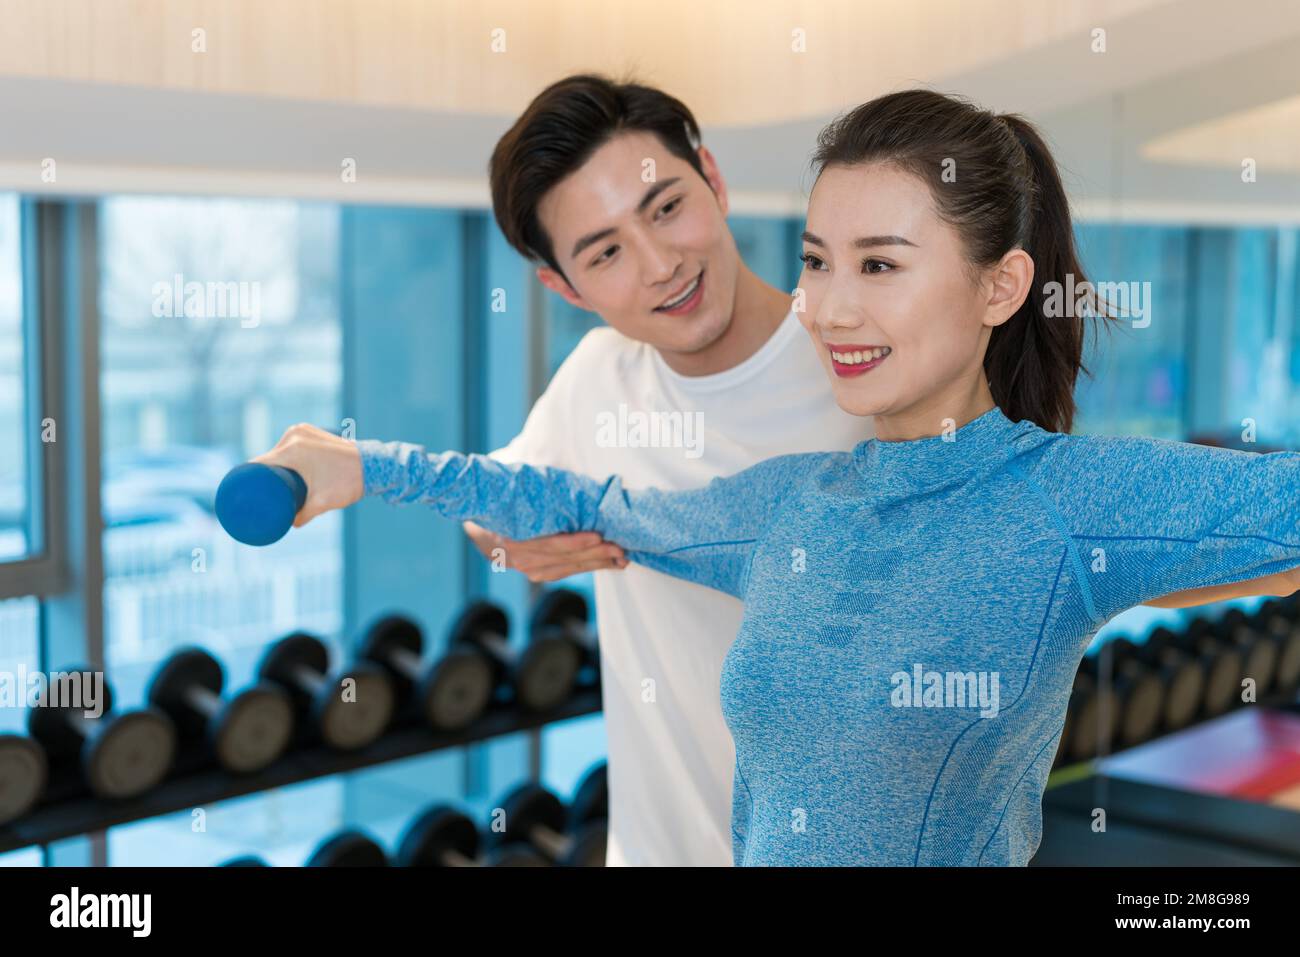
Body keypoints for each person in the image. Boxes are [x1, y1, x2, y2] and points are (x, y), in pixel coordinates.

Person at [255, 89, 1300, 865]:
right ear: (562, 283)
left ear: (1000, 287)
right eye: (816, 260)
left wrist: (1138, 573)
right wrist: (362, 466)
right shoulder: (791, 498)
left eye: (878, 264)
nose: (831, 309)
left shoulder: (1063, 497)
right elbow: (569, 501)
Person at [463, 74, 870, 865]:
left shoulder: (862, 365)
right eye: (606, 252)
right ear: (564, 287)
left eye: (666, 208)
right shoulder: (597, 378)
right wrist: (504, 538)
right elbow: (496, 497)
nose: (660, 264)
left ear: (712, 178)